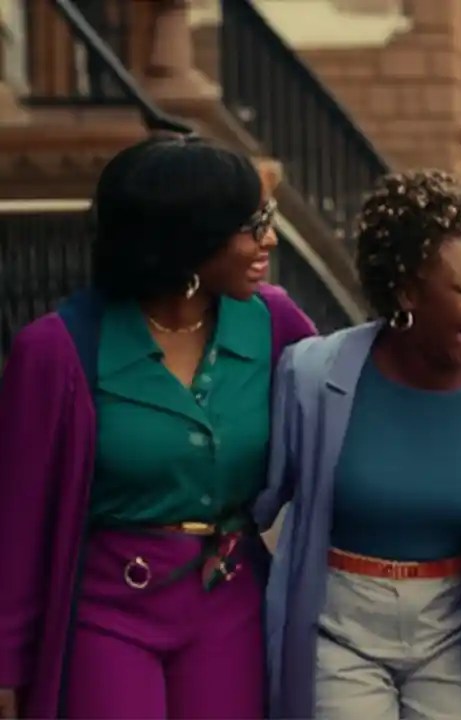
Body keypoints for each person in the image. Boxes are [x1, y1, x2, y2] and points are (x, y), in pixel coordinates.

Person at [0, 136, 315, 719]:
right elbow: (17, 526)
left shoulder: (275, 325)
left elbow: (358, 401)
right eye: (251, 225)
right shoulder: (58, 351)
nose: (269, 238)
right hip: (107, 611)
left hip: (229, 601)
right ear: (188, 246)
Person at [256, 170, 461, 720]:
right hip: (337, 625)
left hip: (455, 631)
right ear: (408, 290)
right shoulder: (314, 373)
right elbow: (259, 499)